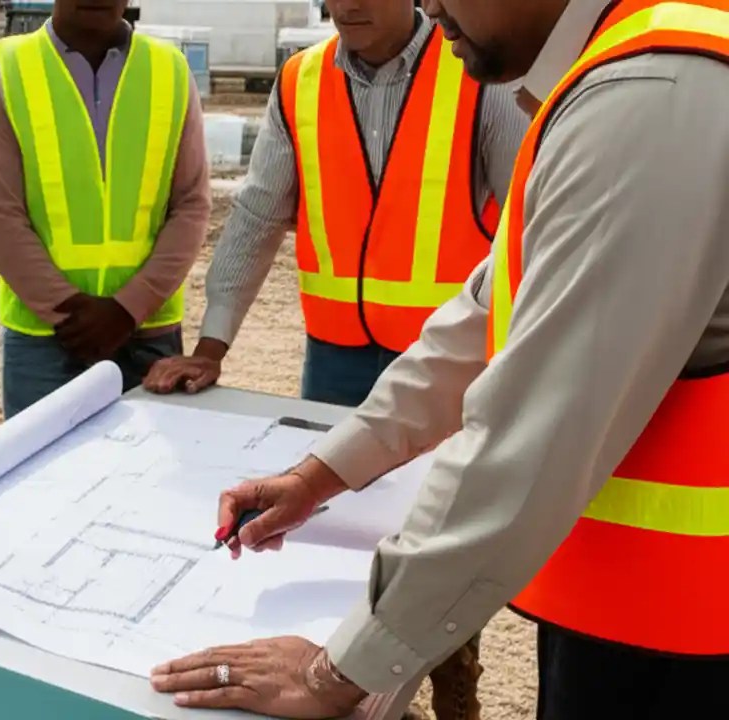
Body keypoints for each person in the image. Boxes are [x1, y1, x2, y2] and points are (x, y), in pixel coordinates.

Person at [148, 0, 729, 717]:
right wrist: (317, 475)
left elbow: (530, 440)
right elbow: (485, 314)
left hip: (693, 642)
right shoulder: (616, 75)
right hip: (652, 610)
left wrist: (335, 673)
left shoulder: (648, 99)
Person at [143, 1, 526, 715]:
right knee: (330, 541)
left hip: (448, 374)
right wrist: (212, 344)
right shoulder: (300, 82)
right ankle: (359, 688)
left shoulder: (481, 79)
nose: (346, 3)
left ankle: (453, 688)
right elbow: (259, 212)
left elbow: (524, 228)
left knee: (441, 542)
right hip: (335, 365)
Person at [0, 0, 210, 419]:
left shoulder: (170, 73)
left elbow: (191, 205)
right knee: (44, 481)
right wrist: (68, 310)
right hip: (46, 342)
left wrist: (127, 308)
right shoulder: (10, 75)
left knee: (144, 480)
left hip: (147, 334)